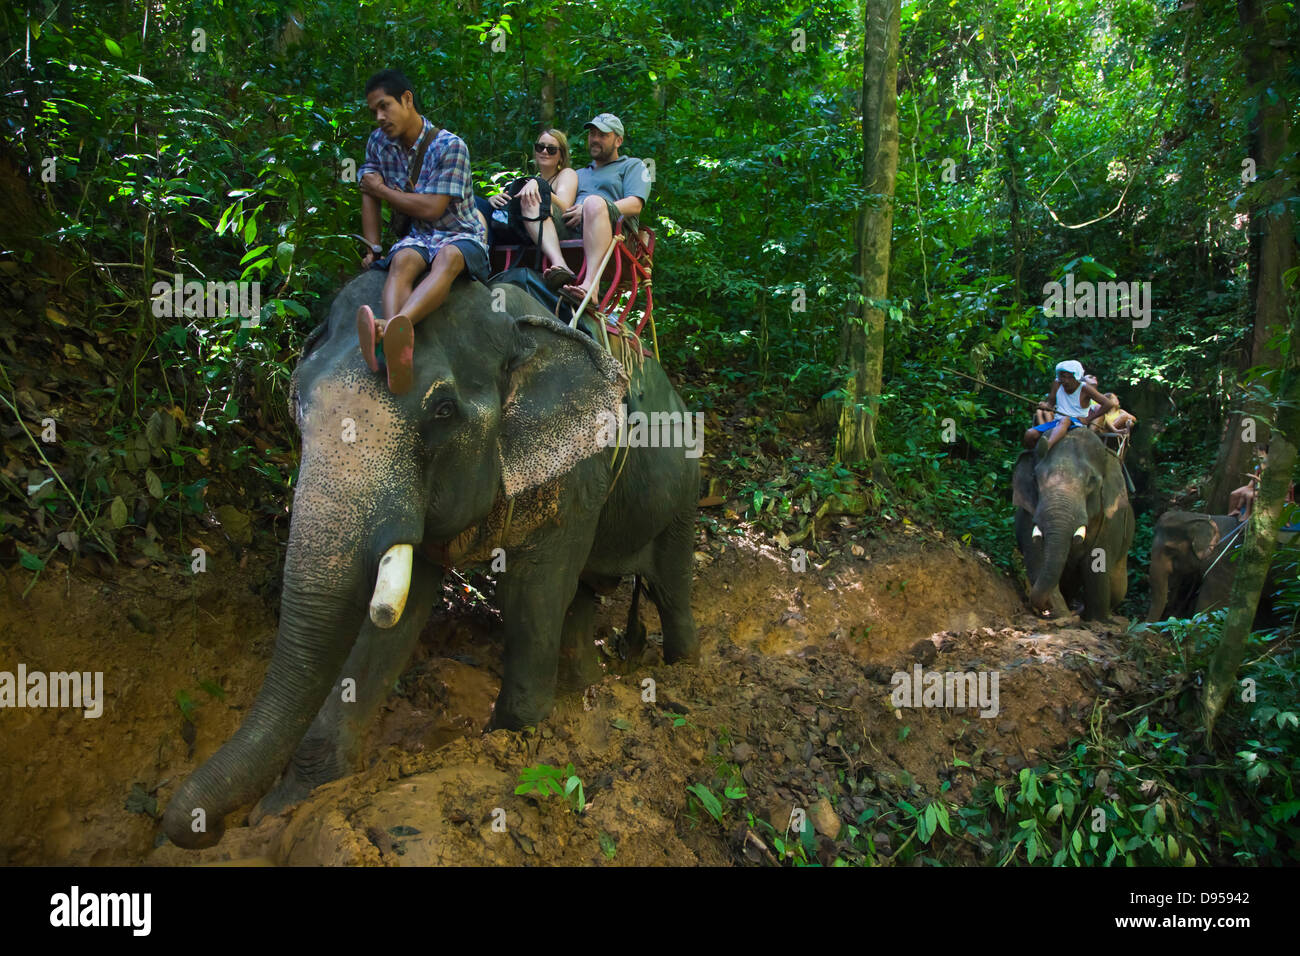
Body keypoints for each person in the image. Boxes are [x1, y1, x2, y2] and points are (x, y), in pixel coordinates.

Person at [353, 70, 490, 395]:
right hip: (419, 237)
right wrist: (373, 246)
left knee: (449, 257)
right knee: (402, 260)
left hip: (460, 232)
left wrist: (384, 191)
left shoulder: (450, 146)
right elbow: (367, 188)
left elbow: (433, 208)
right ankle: (394, 348)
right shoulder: (379, 142)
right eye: (374, 111)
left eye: (385, 107)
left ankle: (395, 325)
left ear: (407, 99)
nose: (380, 117)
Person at [558, 113, 651, 306]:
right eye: (592, 134)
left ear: (618, 140)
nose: (595, 139)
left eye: (602, 135)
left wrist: (590, 208)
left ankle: (591, 286)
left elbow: (635, 204)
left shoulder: (633, 165)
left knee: (593, 202)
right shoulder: (577, 174)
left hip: (617, 233)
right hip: (573, 229)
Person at [484, 129, 579, 289]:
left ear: (561, 156)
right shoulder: (530, 180)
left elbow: (564, 206)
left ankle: (560, 263)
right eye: (540, 147)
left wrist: (540, 186)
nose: (544, 152)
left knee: (531, 200)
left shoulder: (566, 174)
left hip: (559, 227)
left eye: (551, 149)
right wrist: (494, 200)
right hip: (528, 231)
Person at [1023, 360, 1114, 451]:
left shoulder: (1085, 388)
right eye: (1063, 377)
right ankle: (1036, 455)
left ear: (1077, 377)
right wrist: (1045, 405)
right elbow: (1050, 405)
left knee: (1065, 419)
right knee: (1029, 434)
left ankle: (1047, 446)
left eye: (1070, 377)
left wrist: (1088, 419)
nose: (1066, 381)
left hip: (1076, 422)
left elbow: (1108, 404)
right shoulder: (1057, 384)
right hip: (1056, 422)